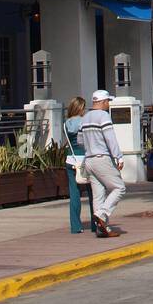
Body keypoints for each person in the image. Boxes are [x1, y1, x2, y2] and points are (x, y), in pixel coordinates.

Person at [79, 90, 127, 238]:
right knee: (119, 188)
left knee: (98, 194)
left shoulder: (85, 118)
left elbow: (80, 141)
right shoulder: (104, 116)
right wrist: (118, 157)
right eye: (108, 101)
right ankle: (101, 214)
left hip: (89, 160)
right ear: (103, 101)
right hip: (102, 158)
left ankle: (101, 228)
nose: (108, 104)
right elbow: (110, 138)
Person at [63, 96, 92, 234]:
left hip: (71, 159)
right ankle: (95, 223)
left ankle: (75, 226)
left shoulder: (66, 123)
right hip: (85, 159)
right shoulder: (84, 122)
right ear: (81, 108)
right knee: (93, 192)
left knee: (74, 193)